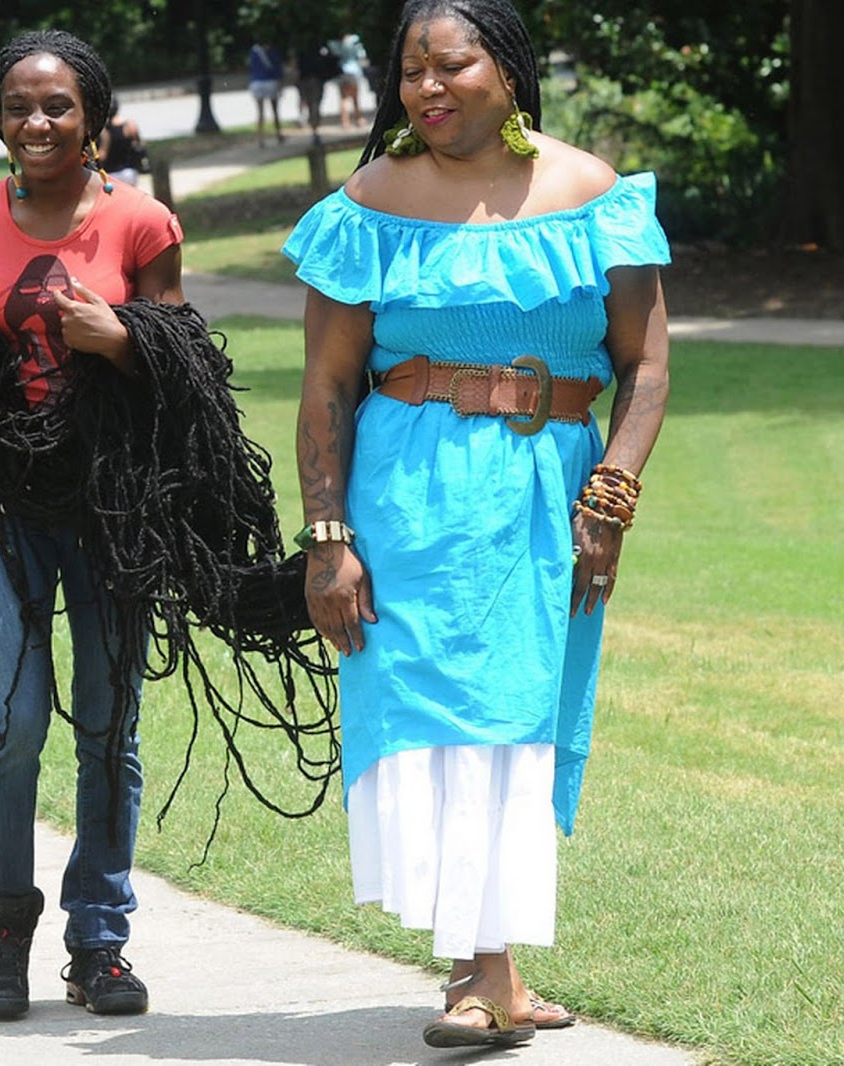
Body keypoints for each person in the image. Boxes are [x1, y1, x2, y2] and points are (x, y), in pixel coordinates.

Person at [286, 0, 670, 1050]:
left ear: (506, 67)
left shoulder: (594, 195)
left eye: (451, 66)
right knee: (439, 720)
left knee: (516, 722)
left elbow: (644, 365)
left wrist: (611, 495)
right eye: (411, 71)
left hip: (550, 497)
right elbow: (323, 389)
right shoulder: (368, 204)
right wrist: (329, 538)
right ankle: (480, 974)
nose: (427, 89)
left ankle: (492, 966)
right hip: (406, 500)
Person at [0, 29, 185, 1022]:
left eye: (57, 105)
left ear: (92, 116)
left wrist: (121, 338)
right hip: (3, 502)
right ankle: (2, 928)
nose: (38, 122)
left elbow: (188, 373)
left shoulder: (143, 225)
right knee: (11, 720)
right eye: (18, 106)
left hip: (113, 508)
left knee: (107, 724)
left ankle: (100, 940)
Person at [295, 38, 343, 142]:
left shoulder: (303, 48)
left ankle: (314, 128)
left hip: (308, 79)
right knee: (314, 104)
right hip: (314, 80)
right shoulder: (318, 46)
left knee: (311, 105)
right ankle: (314, 129)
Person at [96, 96, 148, 186]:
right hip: (129, 172)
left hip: (112, 174)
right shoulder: (129, 126)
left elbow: (103, 155)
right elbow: (139, 145)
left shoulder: (104, 131)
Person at [247, 40, 286, 148]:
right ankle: (278, 133)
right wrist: (281, 84)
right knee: (275, 110)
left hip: (257, 83)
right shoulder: (272, 51)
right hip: (270, 82)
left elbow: (251, 68)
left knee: (260, 112)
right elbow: (278, 69)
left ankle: (260, 138)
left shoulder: (254, 51)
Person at [330, 32, 372, 130]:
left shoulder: (335, 43)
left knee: (343, 98)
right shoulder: (354, 40)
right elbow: (361, 54)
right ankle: (358, 119)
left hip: (342, 70)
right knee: (355, 97)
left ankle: (345, 122)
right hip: (354, 70)